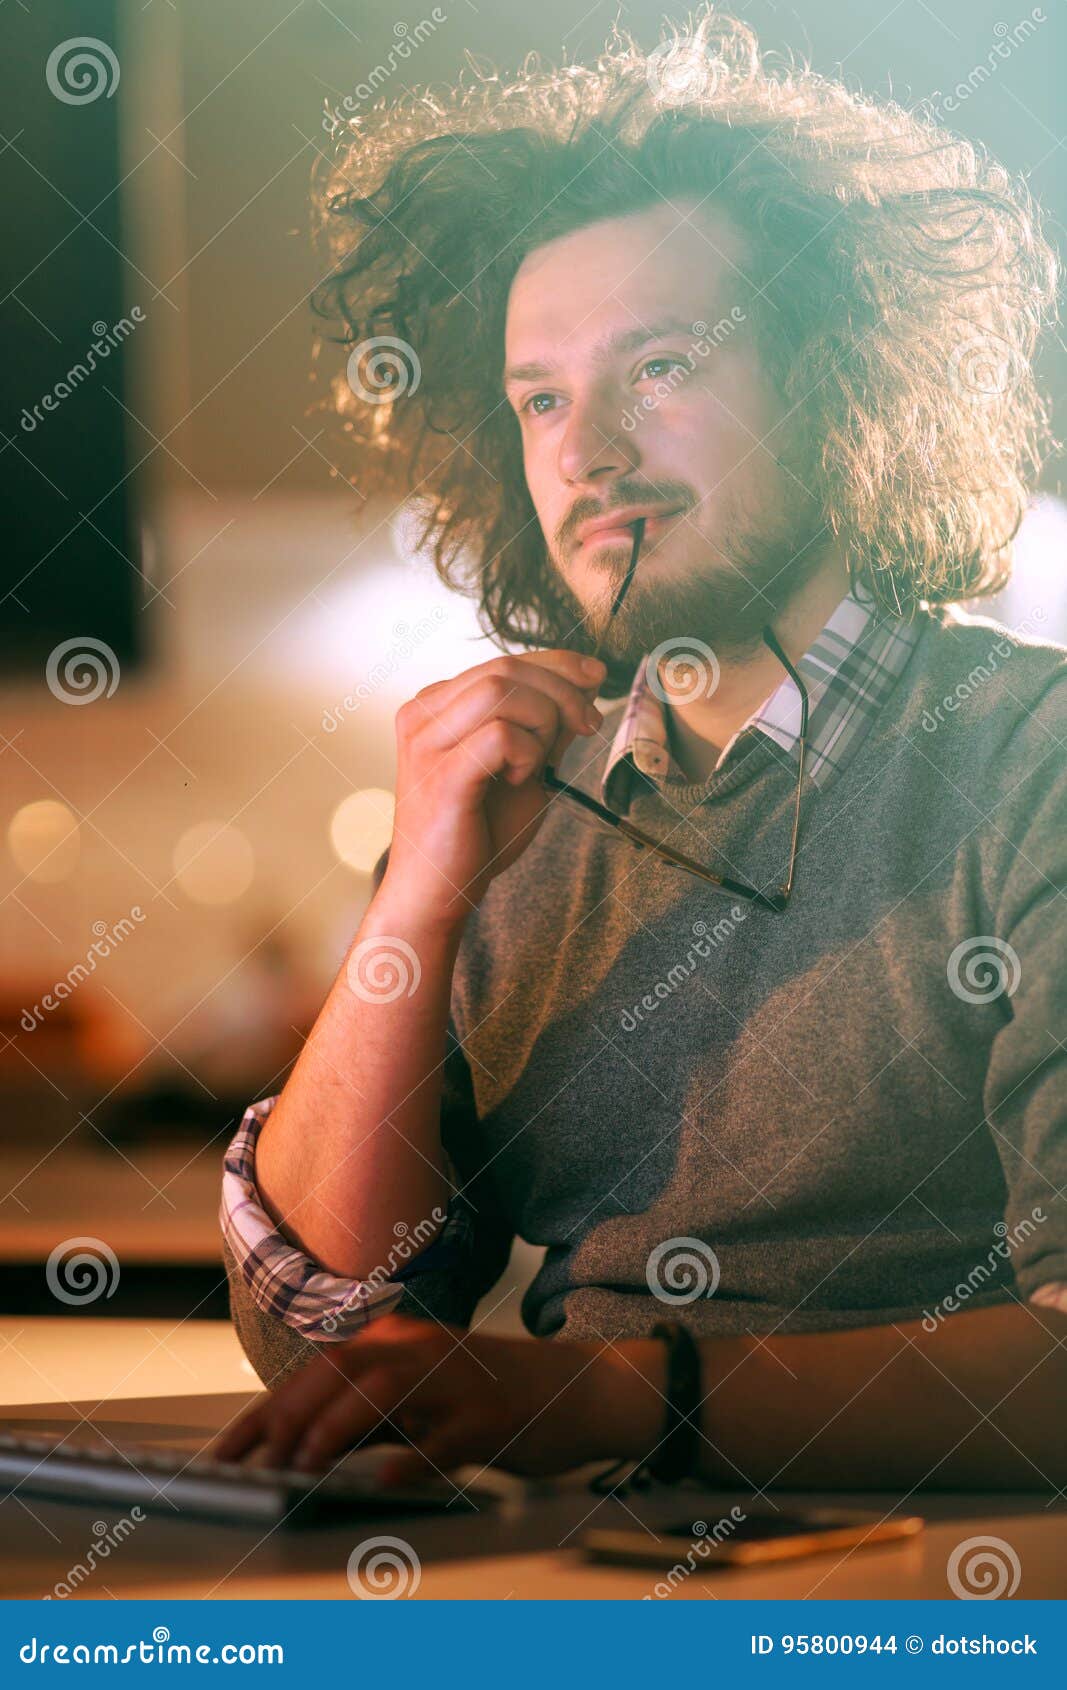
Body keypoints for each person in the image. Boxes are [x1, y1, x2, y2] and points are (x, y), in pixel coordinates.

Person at [212, 9, 1067, 1493]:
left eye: (658, 365)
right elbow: (325, 1332)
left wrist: (624, 1399)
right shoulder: (512, 821)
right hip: (567, 1593)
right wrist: (419, 893)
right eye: (540, 397)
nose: (585, 449)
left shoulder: (1032, 758)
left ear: (838, 381)